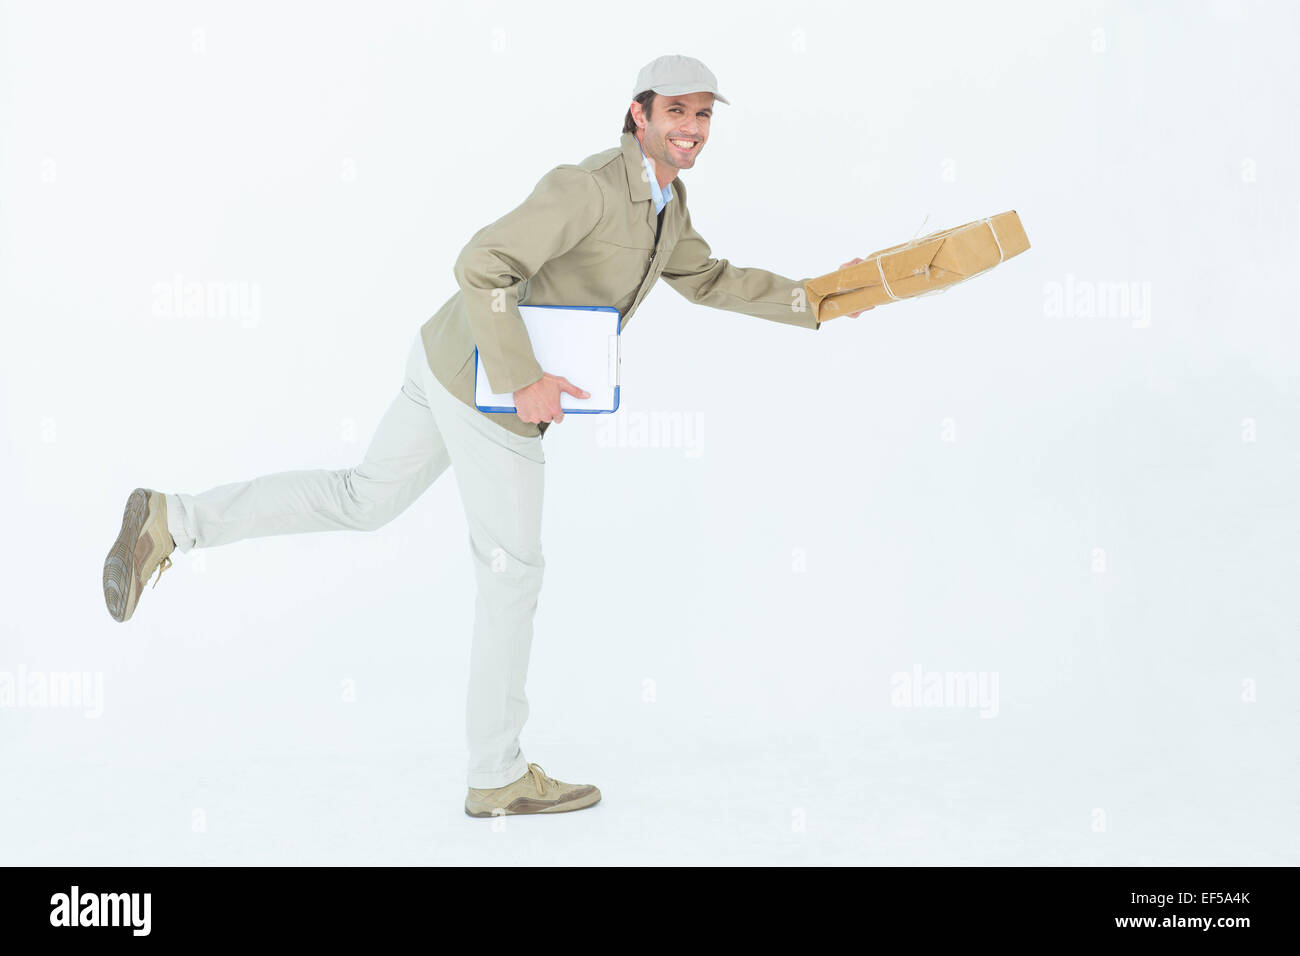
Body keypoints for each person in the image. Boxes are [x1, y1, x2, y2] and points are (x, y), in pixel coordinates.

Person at [101, 53, 871, 819]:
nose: (692, 128)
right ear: (639, 113)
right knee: (513, 576)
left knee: (360, 498)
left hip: (441, 359)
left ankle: (176, 518)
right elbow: (482, 262)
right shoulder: (589, 187)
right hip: (487, 393)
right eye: (676, 111)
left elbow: (710, 278)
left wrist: (816, 300)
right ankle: (495, 772)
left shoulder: (670, 205)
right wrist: (522, 377)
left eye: (704, 114)